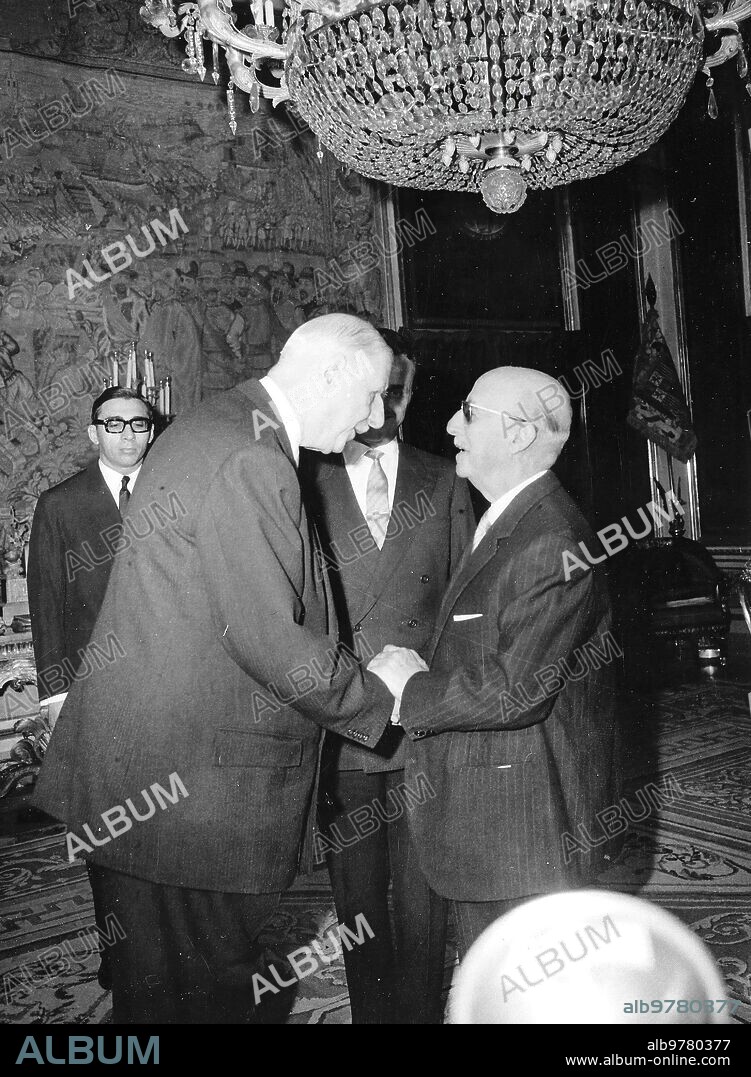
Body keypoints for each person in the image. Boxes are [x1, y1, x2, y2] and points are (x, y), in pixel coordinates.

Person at [32, 314, 404, 1025]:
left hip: (149, 781)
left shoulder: (215, 423)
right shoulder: (250, 454)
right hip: (195, 800)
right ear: (331, 374)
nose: (374, 417)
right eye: (372, 395)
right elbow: (270, 639)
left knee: (158, 994)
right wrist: (387, 697)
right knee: (206, 997)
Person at [369, 366, 622, 960]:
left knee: (513, 985)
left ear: (518, 433)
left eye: (468, 413)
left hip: (524, 824)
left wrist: (412, 688)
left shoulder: (549, 541)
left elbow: (516, 691)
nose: (450, 426)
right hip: (502, 811)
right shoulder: (512, 517)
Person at [301, 329, 474, 1024]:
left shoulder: (445, 478)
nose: (385, 406)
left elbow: (463, 601)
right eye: (376, 391)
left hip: (420, 720)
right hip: (343, 723)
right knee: (358, 896)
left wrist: (441, 695)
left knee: (425, 889)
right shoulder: (303, 480)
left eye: (399, 391)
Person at [27, 387, 155, 722]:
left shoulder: (172, 493)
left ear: (151, 431)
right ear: (94, 433)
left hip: (164, 675)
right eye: (114, 424)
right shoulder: (59, 504)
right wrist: (55, 694)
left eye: (138, 423)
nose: (128, 434)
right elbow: (46, 604)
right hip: (92, 678)